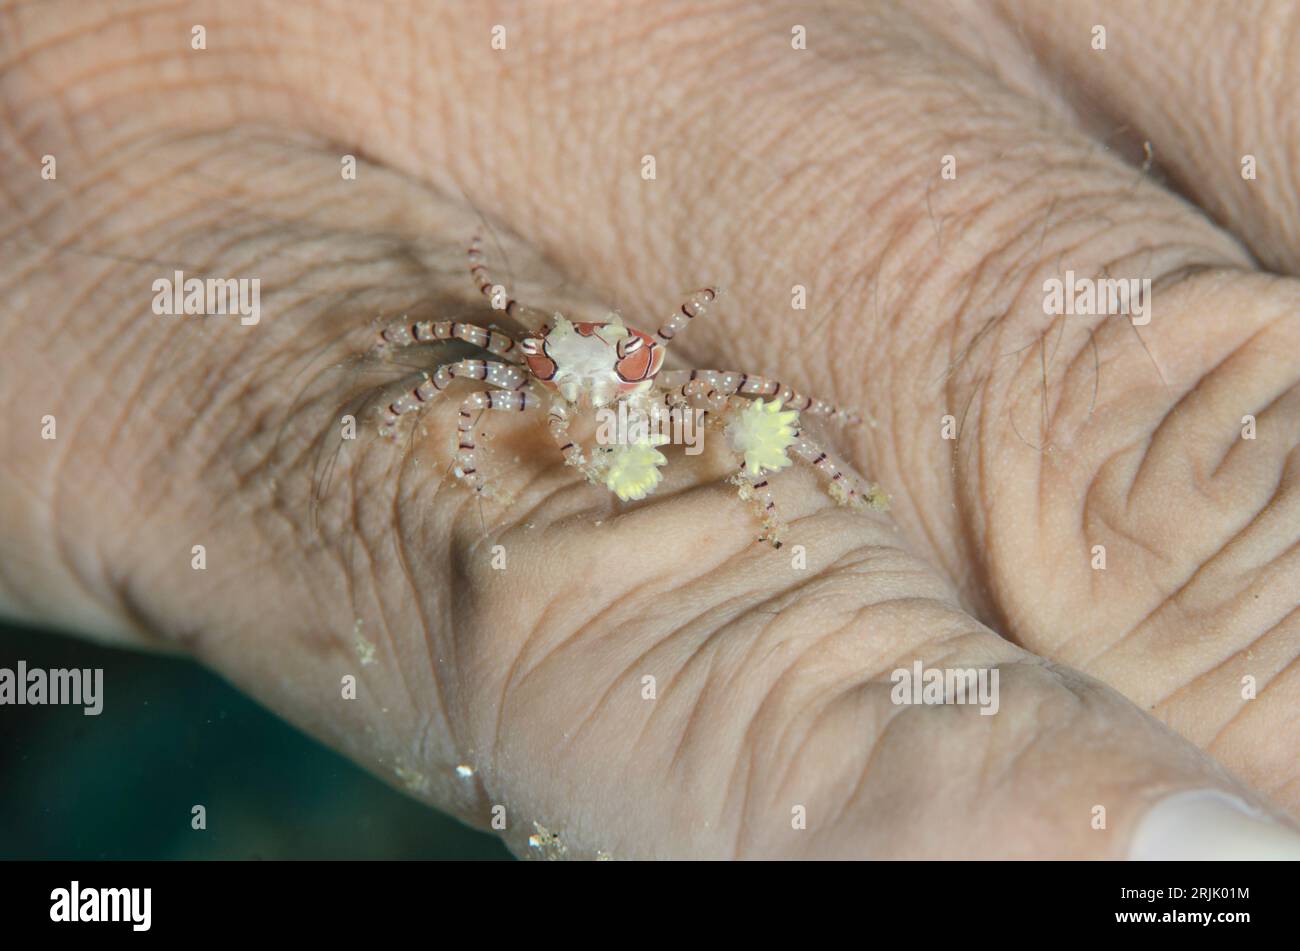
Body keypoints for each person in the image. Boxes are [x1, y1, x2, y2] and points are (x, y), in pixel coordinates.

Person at [0, 0, 1296, 859]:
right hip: (561, 393)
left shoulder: (677, 389)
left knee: (755, 431)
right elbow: (425, 378)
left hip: (628, 399)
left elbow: (743, 395)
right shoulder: (512, 368)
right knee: (443, 381)